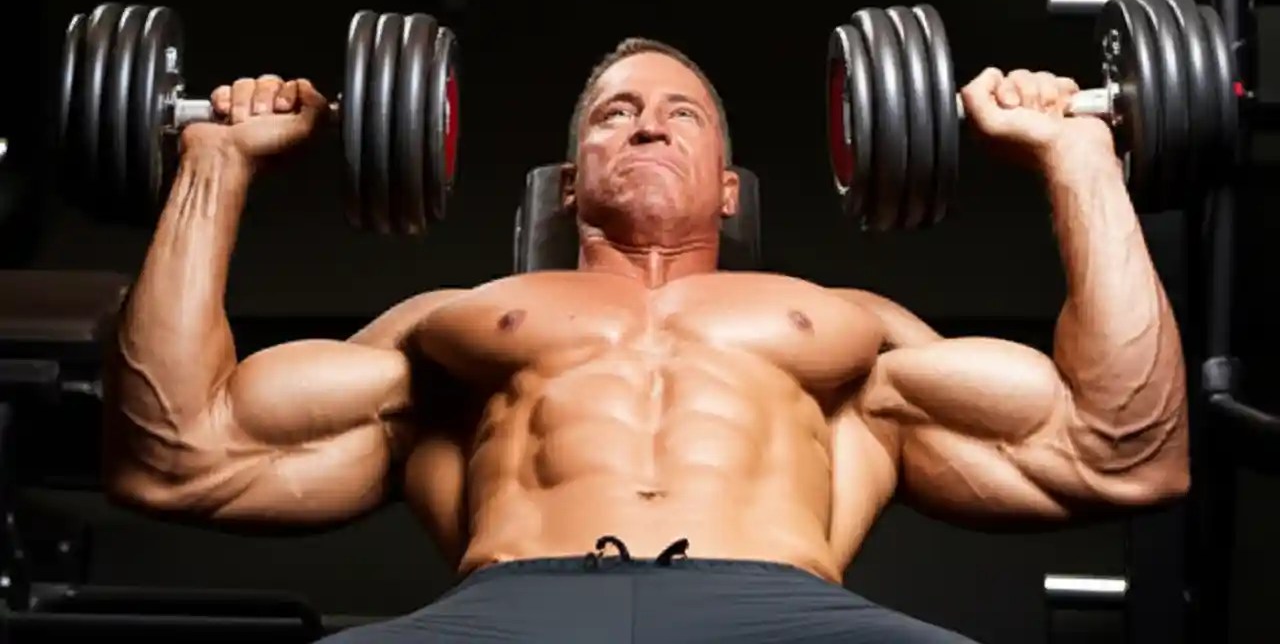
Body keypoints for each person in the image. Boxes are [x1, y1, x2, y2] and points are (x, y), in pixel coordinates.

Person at [102, 37, 1188, 643]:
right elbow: (181, 453)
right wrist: (214, 162)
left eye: (680, 110)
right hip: (511, 611)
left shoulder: (847, 333)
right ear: (571, 178)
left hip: (779, 611)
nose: (648, 121)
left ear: (726, 186)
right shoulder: (453, 329)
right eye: (613, 112)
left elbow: (1119, 446)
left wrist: (1076, 154)